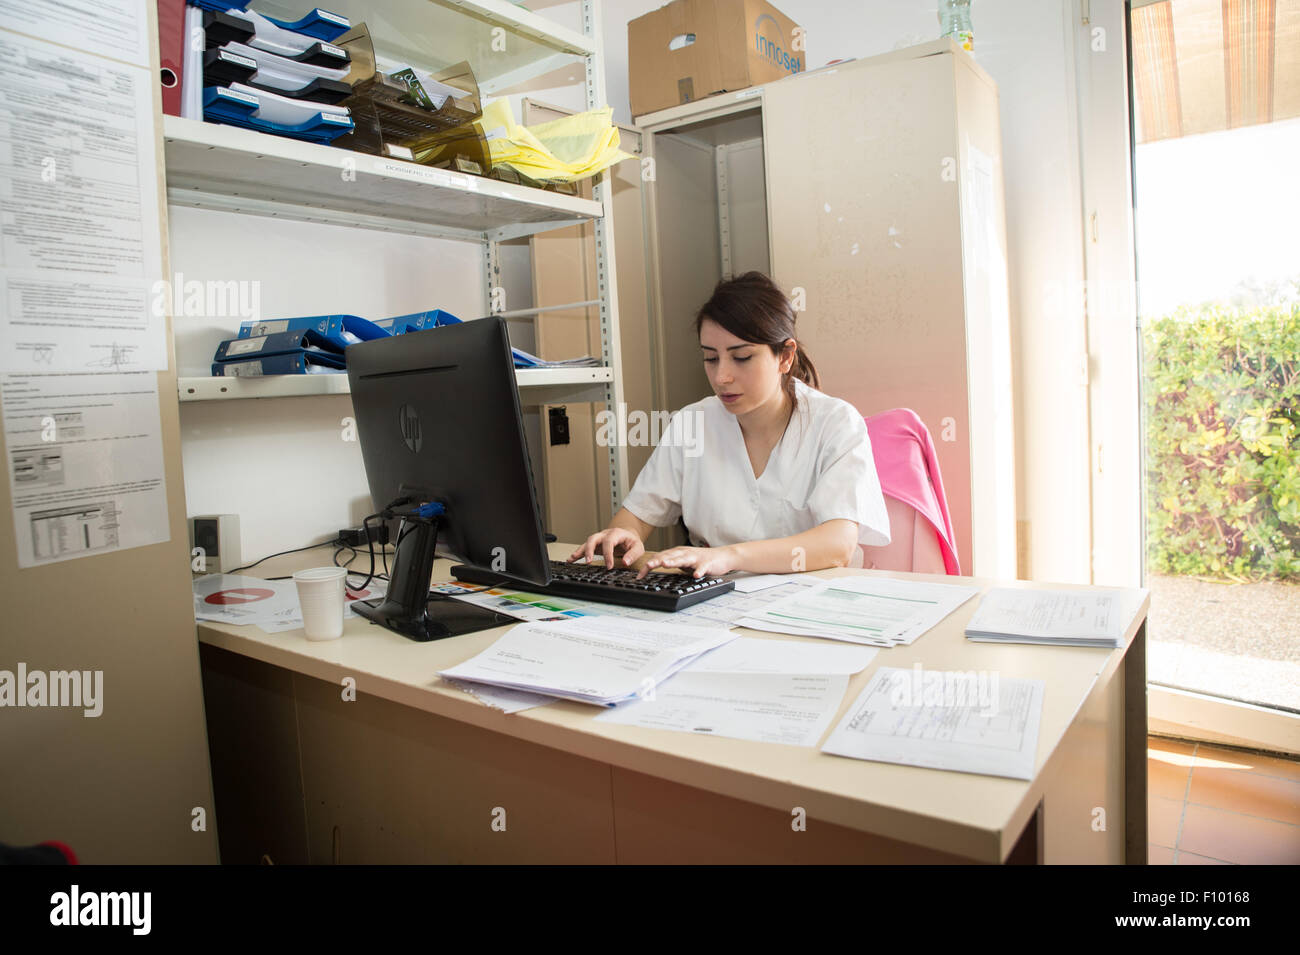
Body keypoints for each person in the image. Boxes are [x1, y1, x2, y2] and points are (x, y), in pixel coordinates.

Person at [570, 271, 890, 579]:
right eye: (711, 358)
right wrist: (624, 536)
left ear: (785, 356)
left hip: (815, 605)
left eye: (741, 357)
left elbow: (838, 544)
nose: (722, 376)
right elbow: (636, 516)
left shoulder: (835, 424)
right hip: (717, 603)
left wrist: (727, 556)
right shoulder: (692, 424)